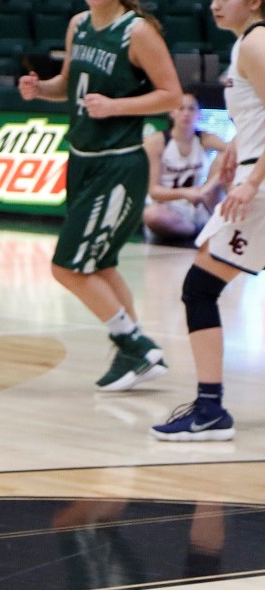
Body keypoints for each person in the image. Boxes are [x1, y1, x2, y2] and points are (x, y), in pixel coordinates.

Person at [18, 0, 182, 392]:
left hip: (118, 164)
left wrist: (115, 107)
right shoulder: (79, 24)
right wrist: (42, 88)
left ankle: (134, 344)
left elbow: (171, 95)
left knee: (68, 266)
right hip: (81, 159)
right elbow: (70, 84)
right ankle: (133, 349)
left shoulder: (137, 31)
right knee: (101, 265)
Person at [150, 0, 265, 442]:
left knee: (199, 288)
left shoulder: (255, 42)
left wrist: (252, 182)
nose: (215, 2)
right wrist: (238, 143)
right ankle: (209, 405)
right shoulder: (246, 45)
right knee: (201, 288)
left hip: (258, 192)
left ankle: (211, 408)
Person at [143, 92, 229, 242]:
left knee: (225, 159)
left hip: (200, 203)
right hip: (169, 208)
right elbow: (154, 191)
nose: (186, 114)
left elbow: (233, 154)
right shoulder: (156, 142)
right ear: (171, 112)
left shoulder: (206, 138)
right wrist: (185, 193)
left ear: (199, 114)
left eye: (191, 109)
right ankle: (196, 231)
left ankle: (221, 221)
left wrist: (205, 188)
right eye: (181, 108)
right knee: (151, 215)